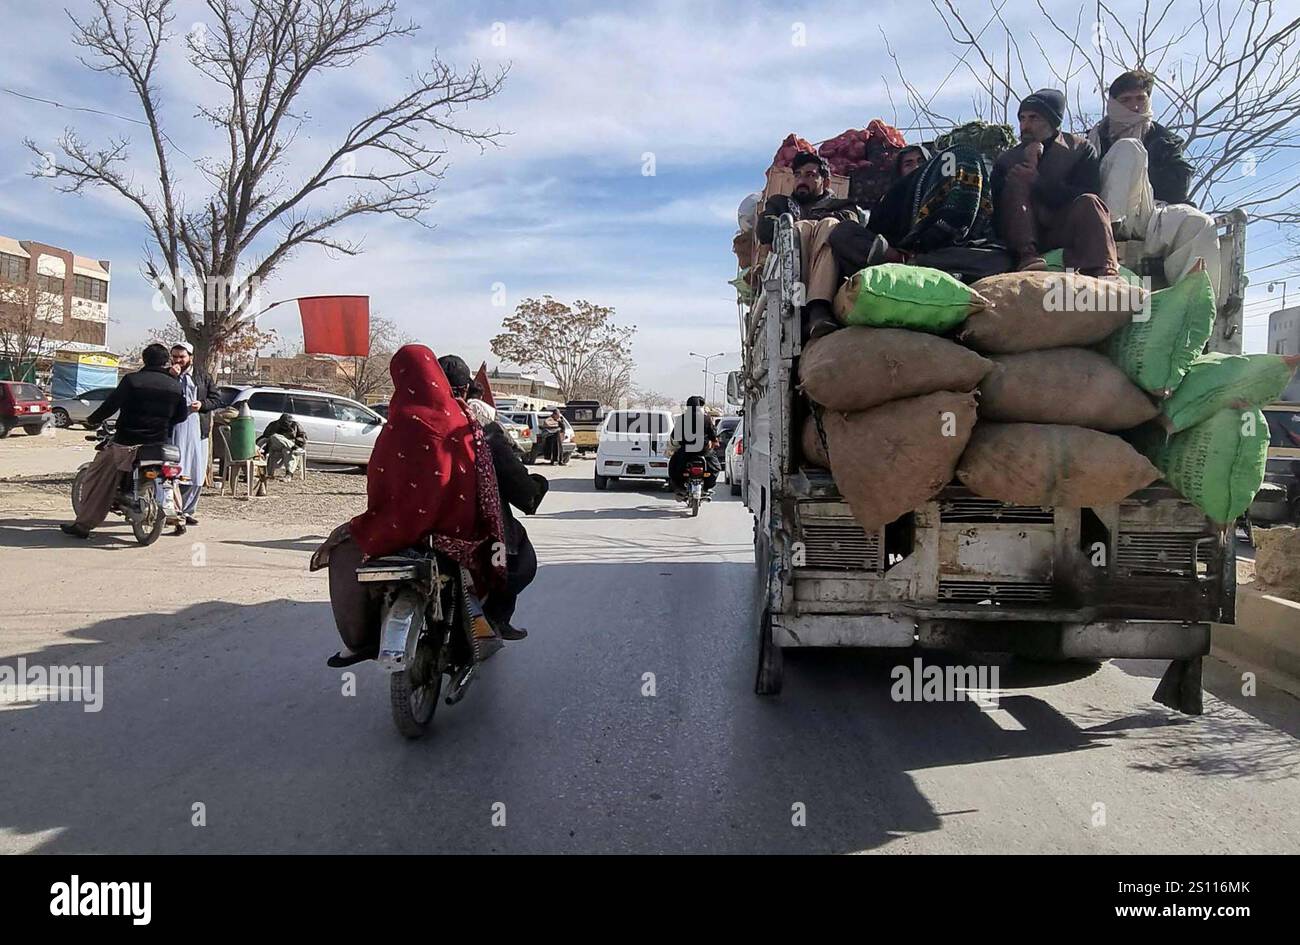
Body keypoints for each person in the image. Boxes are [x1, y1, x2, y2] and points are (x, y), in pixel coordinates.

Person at [316, 345, 507, 666]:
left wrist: (380, 516)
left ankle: (357, 642)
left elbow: (379, 477)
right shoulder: (462, 418)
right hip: (458, 533)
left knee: (343, 550)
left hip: (395, 528)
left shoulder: (400, 419)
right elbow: (481, 477)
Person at [1089, 69, 1224, 302]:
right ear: (1113, 104)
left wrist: (1146, 169)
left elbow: (1178, 187)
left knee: (1199, 222)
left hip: (1149, 212)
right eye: (1126, 100)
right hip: (1103, 217)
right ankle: (1110, 234)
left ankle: (1191, 305)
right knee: (1129, 147)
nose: (1135, 106)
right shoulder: (1093, 141)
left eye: (1140, 98)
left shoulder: (1163, 139)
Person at [61, 343, 189, 539]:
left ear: (145, 360)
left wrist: (93, 419)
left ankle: (84, 525)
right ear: (166, 361)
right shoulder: (175, 385)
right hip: (158, 443)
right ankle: (176, 516)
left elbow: (111, 405)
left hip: (127, 441)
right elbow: (181, 415)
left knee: (98, 477)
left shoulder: (133, 380)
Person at [991, 89, 1119, 276]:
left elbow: (1085, 193)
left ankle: (1103, 268)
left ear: (1052, 121)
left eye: (1033, 118)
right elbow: (996, 210)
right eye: (1022, 118)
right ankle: (1027, 257)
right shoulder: (1006, 160)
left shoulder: (1080, 150)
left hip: (1062, 226)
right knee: (1017, 181)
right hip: (1020, 233)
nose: (1025, 125)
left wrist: (1038, 183)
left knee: (1090, 202)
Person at [756, 152, 882, 342]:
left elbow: (850, 222)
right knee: (798, 229)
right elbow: (765, 230)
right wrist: (803, 226)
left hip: (831, 282)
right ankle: (799, 307)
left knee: (830, 225)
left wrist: (816, 225)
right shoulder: (779, 204)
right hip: (787, 283)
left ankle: (817, 307)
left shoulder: (842, 205)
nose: (802, 180)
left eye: (810, 175)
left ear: (826, 182)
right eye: (798, 175)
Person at [464, 389, 547, 641]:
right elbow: (518, 484)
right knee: (516, 557)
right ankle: (497, 617)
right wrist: (535, 489)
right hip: (477, 526)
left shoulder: (406, 427)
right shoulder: (485, 435)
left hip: (412, 526)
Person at [167, 343, 221, 526]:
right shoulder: (168, 375)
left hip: (198, 429)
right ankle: (173, 510)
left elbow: (217, 399)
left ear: (190, 356)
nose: (177, 360)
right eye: (174, 356)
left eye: (181, 357)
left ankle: (188, 510)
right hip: (174, 428)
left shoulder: (202, 376)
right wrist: (172, 378)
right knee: (174, 471)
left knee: (196, 473)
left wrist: (203, 404)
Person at [668, 396, 720, 497]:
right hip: (704, 451)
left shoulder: (682, 418)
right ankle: (707, 487)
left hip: (686, 451)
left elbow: (674, 435)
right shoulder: (706, 418)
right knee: (715, 467)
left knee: (673, 466)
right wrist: (713, 441)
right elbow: (713, 435)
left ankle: (680, 487)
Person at [258, 413, 307, 479]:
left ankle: (289, 474)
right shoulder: (273, 425)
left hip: (289, 446)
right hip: (275, 444)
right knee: (274, 436)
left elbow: (303, 438)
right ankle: (294, 447)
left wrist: (297, 442)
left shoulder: (295, 425)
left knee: (287, 450)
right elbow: (265, 436)